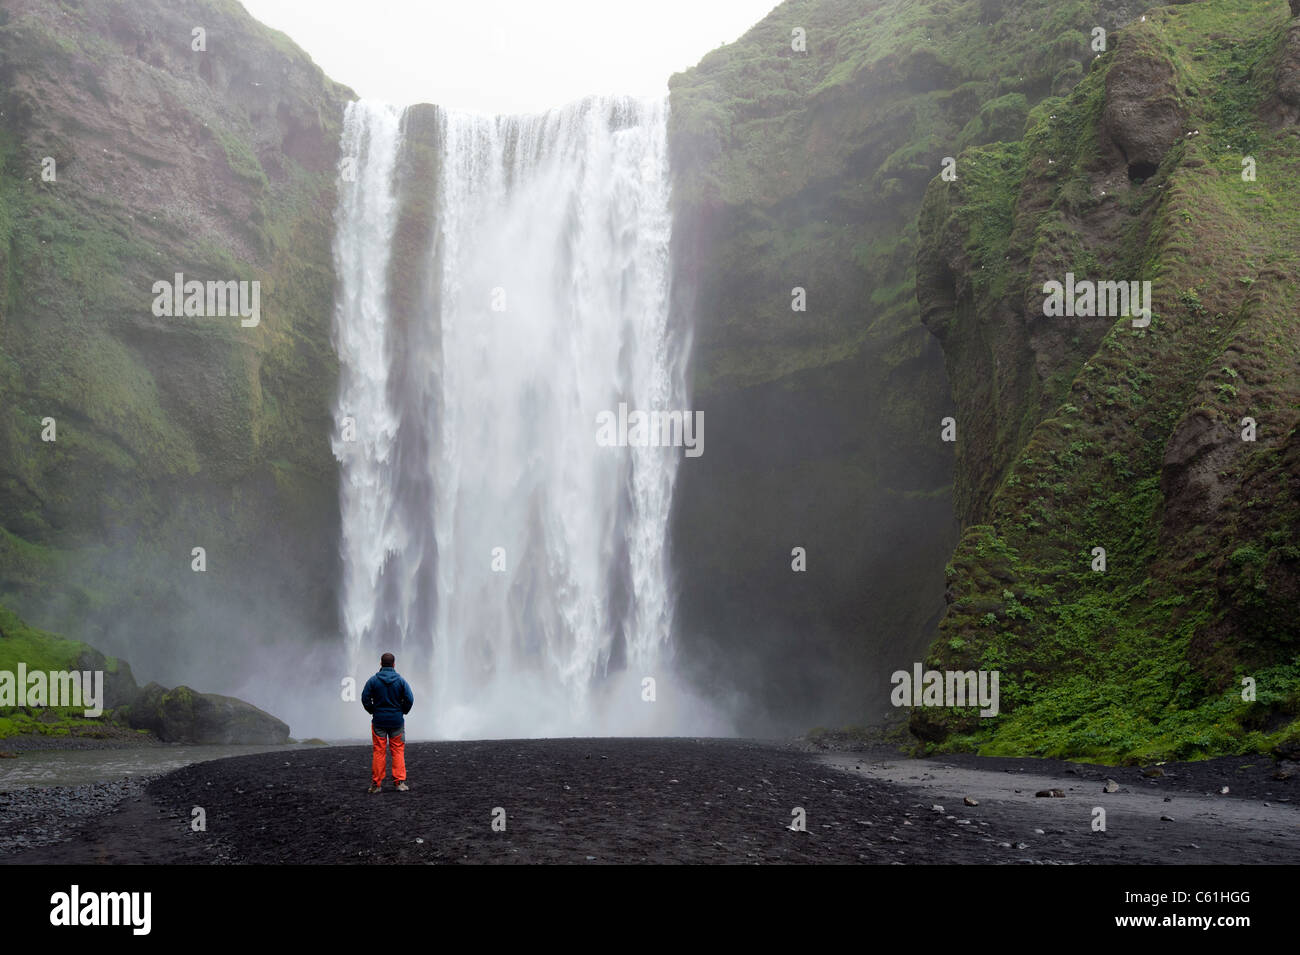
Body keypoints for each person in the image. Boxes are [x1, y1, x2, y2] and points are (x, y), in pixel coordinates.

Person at [361, 652, 414, 793]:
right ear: (394, 664)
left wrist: (372, 710)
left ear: (381, 664)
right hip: (396, 721)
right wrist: (402, 711)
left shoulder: (373, 681)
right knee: (397, 751)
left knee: (379, 751)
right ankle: (399, 783)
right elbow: (410, 699)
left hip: (379, 721)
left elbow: (365, 698)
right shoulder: (401, 681)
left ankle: (376, 785)